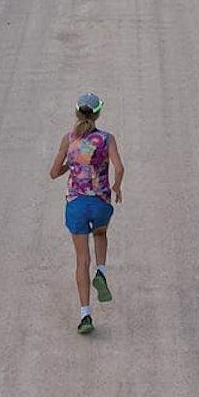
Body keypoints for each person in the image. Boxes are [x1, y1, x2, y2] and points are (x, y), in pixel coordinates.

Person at [49, 92, 123, 334]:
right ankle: (101, 271)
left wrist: (70, 165)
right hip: (100, 202)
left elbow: (53, 173)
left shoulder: (68, 139)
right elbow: (119, 168)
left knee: (81, 260)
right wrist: (117, 186)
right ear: (98, 113)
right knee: (100, 234)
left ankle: (85, 316)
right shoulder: (107, 139)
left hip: (76, 205)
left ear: (76, 112)